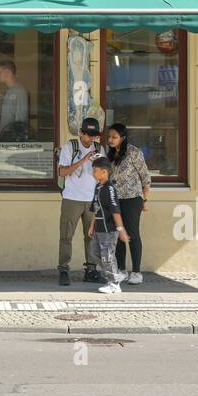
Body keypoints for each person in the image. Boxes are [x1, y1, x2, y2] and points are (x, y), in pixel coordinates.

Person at [55, 116, 105, 286]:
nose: (91, 138)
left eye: (94, 135)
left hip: (92, 198)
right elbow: (62, 172)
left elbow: (103, 174)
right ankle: (63, 269)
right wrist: (84, 160)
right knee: (66, 236)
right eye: (88, 134)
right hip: (72, 198)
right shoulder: (70, 147)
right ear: (81, 133)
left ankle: (91, 270)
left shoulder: (99, 148)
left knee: (91, 236)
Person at [107, 122, 151, 284]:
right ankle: (121, 270)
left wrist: (144, 199)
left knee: (132, 233)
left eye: (114, 137)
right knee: (119, 233)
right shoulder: (110, 154)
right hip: (115, 199)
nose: (111, 140)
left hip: (133, 198)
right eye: (109, 137)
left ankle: (137, 272)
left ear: (123, 138)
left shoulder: (133, 152)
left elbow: (145, 177)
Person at [87, 156, 129, 294]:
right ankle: (114, 275)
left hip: (108, 230)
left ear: (104, 172)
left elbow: (115, 211)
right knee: (94, 252)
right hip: (98, 229)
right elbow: (95, 208)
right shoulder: (98, 186)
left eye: (95, 170)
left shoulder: (109, 189)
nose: (93, 173)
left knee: (107, 256)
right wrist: (92, 225)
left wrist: (120, 229)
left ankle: (114, 283)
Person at [0, 59, 30, 140]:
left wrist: (16, 139)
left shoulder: (19, 91)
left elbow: (21, 118)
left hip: (11, 137)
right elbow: (6, 116)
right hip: (5, 135)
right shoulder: (10, 91)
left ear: (8, 72)